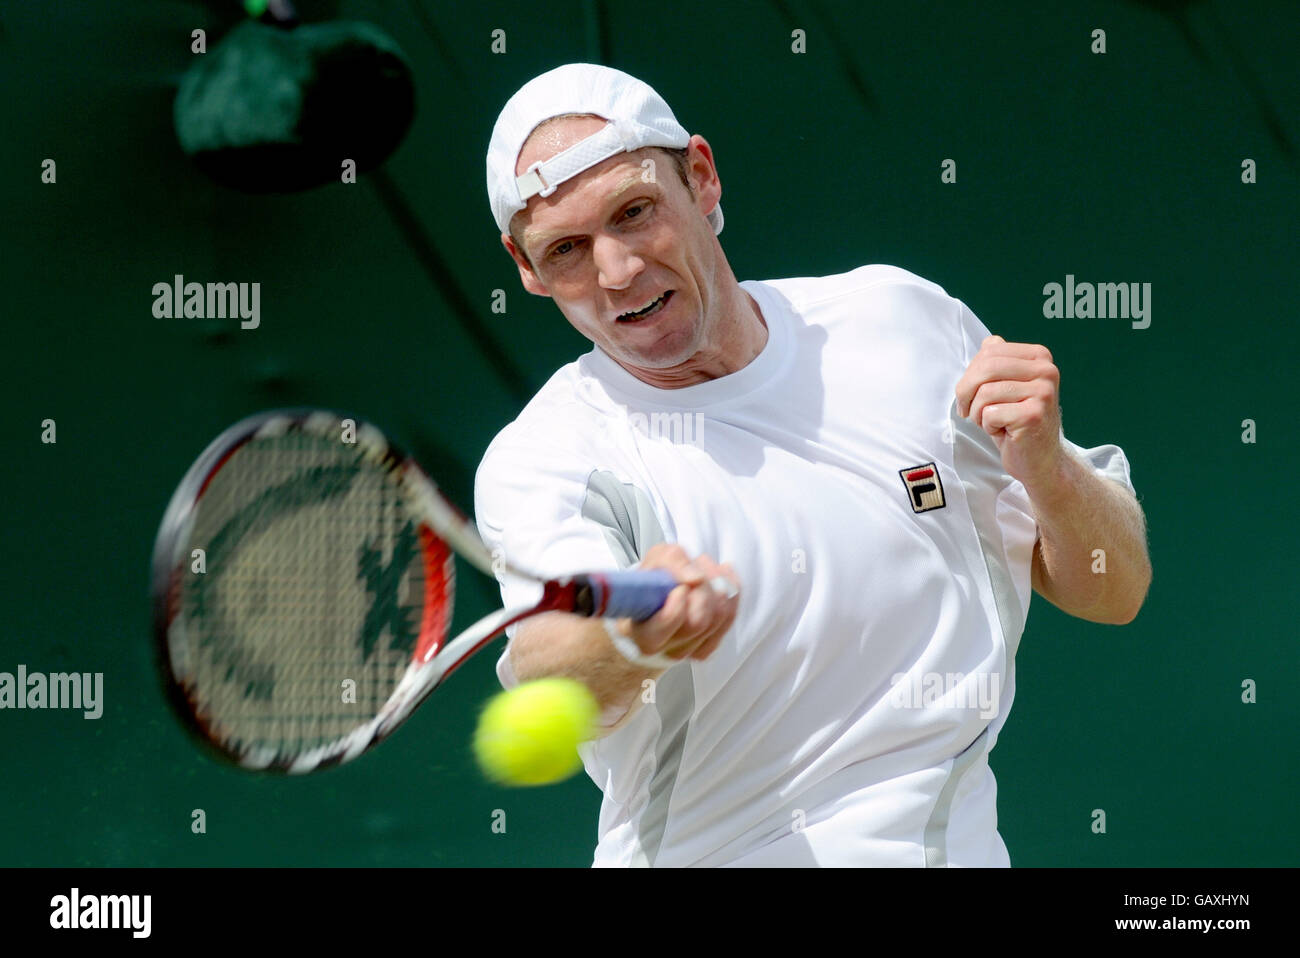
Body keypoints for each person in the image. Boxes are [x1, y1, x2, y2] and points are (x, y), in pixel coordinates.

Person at [474, 63, 1151, 867]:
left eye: (634, 212)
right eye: (567, 251)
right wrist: (632, 635)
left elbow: (1116, 590)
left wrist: (1049, 468)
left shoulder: (900, 321)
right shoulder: (548, 456)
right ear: (525, 268)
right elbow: (554, 663)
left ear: (702, 177)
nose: (616, 272)